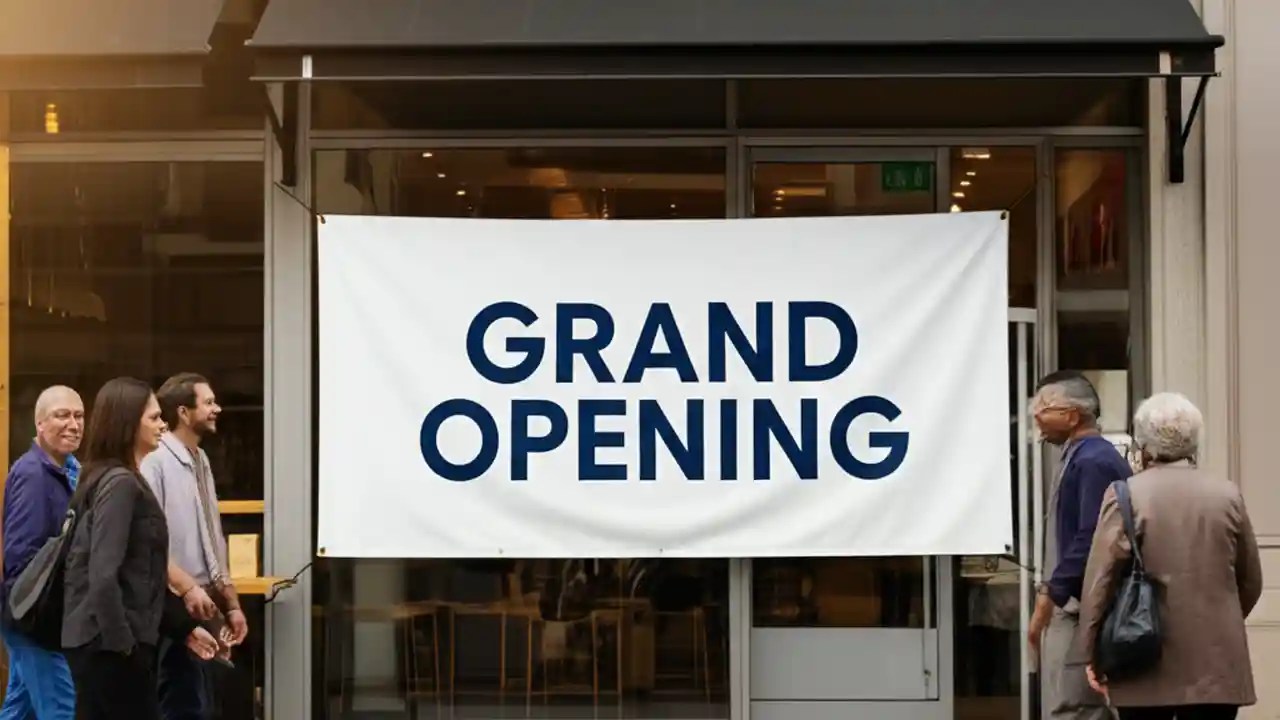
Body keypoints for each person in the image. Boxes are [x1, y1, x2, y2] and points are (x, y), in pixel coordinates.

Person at [1079, 393, 1263, 720]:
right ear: (1194, 442)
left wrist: (1091, 650)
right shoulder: (1227, 494)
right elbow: (1250, 581)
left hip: (1141, 656)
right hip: (1216, 663)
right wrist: (1219, 619)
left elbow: (1101, 581)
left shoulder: (1126, 495)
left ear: (1144, 444)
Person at [60, 377, 220, 720]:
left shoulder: (108, 478)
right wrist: (125, 648)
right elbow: (104, 575)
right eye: (154, 418)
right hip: (108, 649)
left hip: (103, 644)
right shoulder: (120, 485)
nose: (163, 425)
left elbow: (139, 576)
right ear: (128, 423)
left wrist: (182, 628)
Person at [140, 373, 246, 720]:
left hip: (204, 604)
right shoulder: (156, 462)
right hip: (174, 606)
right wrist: (182, 595)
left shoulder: (200, 459)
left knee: (202, 704)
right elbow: (149, 543)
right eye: (209, 402)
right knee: (182, 706)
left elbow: (212, 538)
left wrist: (230, 603)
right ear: (184, 412)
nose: (218, 408)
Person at [1029, 370, 1130, 720]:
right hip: (1073, 606)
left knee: (1075, 706)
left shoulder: (1094, 461)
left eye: (1043, 406)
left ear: (1071, 416)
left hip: (1078, 610)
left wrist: (1050, 594)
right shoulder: (1082, 456)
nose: (1036, 415)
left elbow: (1091, 536)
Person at [0, 386, 84, 720]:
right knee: (61, 708)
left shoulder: (67, 471)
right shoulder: (34, 475)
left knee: (20, 709)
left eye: (79, 416)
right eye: (62, 415)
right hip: (32, 616)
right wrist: (33, 621)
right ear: (39, 424)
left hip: (36, 616)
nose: (73, 424)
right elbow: (21, 557)